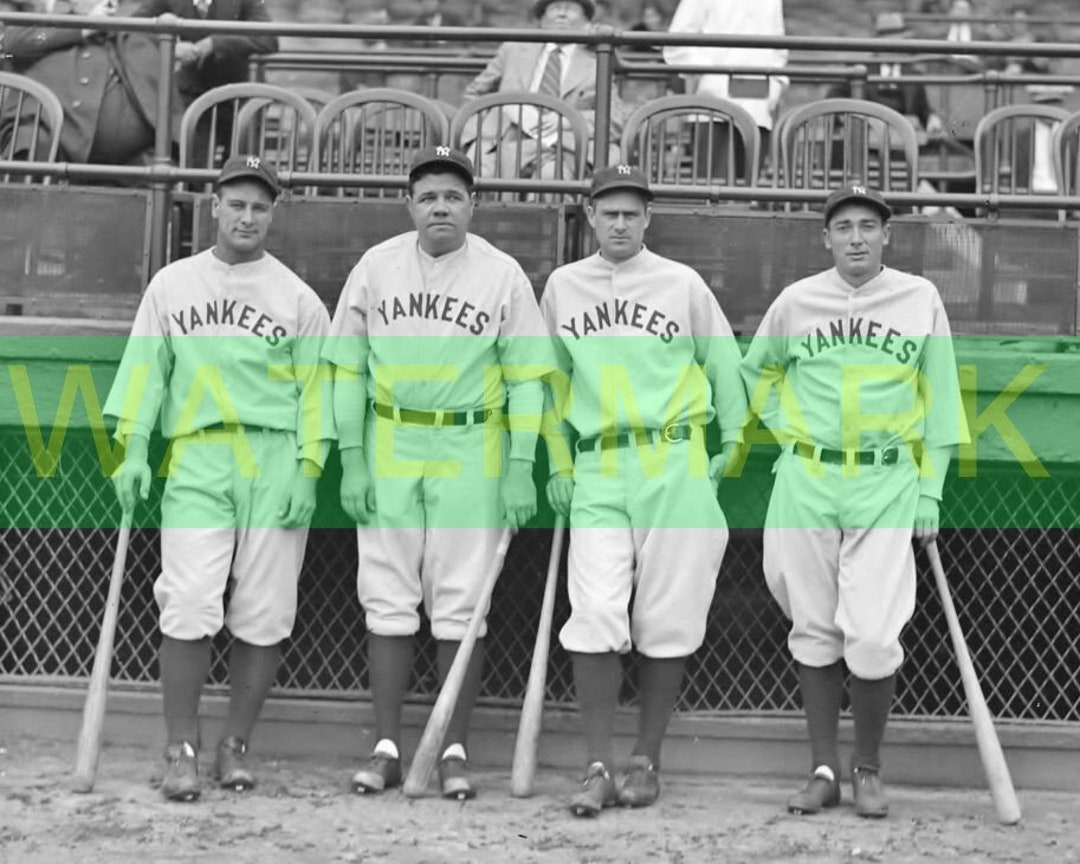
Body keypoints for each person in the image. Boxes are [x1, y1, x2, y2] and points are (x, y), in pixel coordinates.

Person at [323, 146, 555, 801]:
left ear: (472, 205)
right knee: (387, 594)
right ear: (410, 205)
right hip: (390, 435)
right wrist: (351, 460)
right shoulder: (376, 266)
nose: (441, 207)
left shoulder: (502, 273)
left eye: (453, 196)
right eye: (428, 196)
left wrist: (520, 466)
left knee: (462, 601)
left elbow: (527, 380)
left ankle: (451, 748)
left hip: (471, 440)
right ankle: (388, 747)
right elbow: (347, 370)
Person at [104, 155, 333, 802]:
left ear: (273, 213)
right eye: (237, 204)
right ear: (215, 206)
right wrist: (135, 452)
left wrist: (309, 473)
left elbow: (318, 394)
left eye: (260, 206)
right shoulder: (172, 285)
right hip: (198, 452)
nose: (247, 216)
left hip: (275, 455)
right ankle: (181, 748)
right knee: (188, 600)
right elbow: (146, 376)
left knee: (265, 608)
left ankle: (235, 746)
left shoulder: (297, 297)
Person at [739, 184, 968, 819]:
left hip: (886, 479)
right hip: (807, 476)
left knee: (871, 633)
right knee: (813, 627)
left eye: (869, 225)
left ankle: (867, 767)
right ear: (826, 237)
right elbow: (755, 372)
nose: (857, 237)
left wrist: (931, 489)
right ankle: (824, 771)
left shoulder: (919, 297)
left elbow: (942, 400)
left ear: (887, 234)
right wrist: (785, 427)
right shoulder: (796, 300)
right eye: (844, 227)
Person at [539, 164, 747, 817]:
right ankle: (598, 765)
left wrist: (733, 442)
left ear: (648, 217)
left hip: (674, 454)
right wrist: (558, 462)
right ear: (590, 216)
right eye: (610, 212)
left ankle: (646, 759)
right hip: (598, 461)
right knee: (595, 612)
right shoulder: (563, 286)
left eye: (633, 212)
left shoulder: (681, 283)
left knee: (668, 615)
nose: (621, 223)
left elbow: (724, 363)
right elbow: (550, 384)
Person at [461, 0, 627, 181]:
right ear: (542, 20)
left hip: (561, 147)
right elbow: (474, 94)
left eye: (570, 9)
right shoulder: (513, 49)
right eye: (555, 8)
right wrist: (475, 135)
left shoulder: (597, 62)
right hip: (503, 139)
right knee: (476, 175)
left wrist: (568, 121)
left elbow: (615, 120)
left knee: (552, 177)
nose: (561, 14)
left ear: (586, 22)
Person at [1, 0, 182, 164]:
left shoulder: (133, 29)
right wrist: (84, 27)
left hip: (134, 159)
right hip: (52, 144)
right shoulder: (46, 27)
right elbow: (11, 43)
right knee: (31, 144)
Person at [663, 0, 788, 180]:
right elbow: (675, 44)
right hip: (716, 103)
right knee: (713, 186)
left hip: (758, 103)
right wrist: (710, 72)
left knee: (751, 185)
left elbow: (778, 49)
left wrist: (775, 85)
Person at [131, 0, 278, 107]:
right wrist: (169, 46)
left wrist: (215, 43)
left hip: (239, 96)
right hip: (191, 93)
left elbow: (269, 39)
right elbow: (130, 28)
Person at [827, 12, 945, 144]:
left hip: (902, 138)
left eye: (899, 40)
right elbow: (834, 97)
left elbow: (923, 110)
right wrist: (846, 116)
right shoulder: (858, 68)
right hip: (865, 137)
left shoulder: (913, 74)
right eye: (890, 40)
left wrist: (931, 118)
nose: (895, 46)